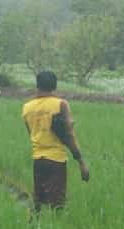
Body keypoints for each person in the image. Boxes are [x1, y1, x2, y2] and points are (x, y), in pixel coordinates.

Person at [22, 70, 90, 211]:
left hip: (38, 159)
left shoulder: (27, 107)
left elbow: (31, 134)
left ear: (37, 85)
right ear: (54, 85)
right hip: (56, 160)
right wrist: (81, 162)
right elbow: (69, 135)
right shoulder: (61, 104)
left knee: (38, 204)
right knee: (57, 206)